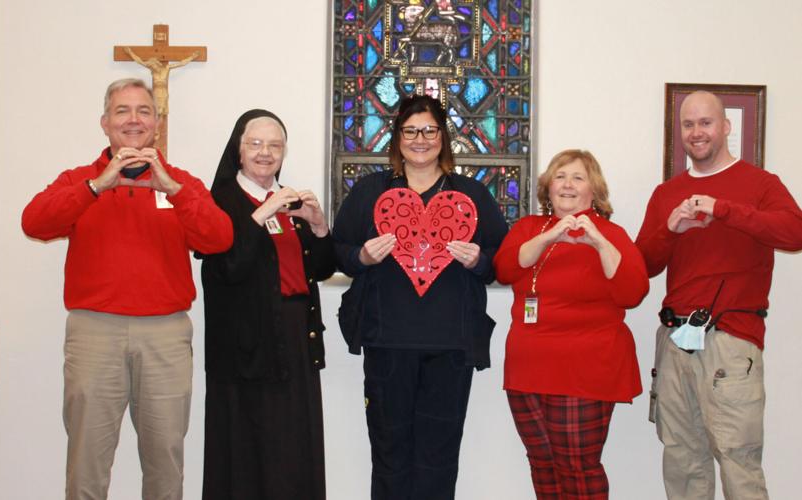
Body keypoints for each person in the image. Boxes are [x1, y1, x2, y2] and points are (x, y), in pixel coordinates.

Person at [21, 78, 233, 500]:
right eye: (122, 111)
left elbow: (219, 238)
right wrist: (96, 187)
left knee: (165, 459)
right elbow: (34, 223)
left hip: (165, 336)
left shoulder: (181, 183)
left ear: (157, 123)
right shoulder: (80, 179)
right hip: (94, 333)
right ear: (105, 123)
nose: (133, 120)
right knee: (87, 460)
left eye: (143, 111)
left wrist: (173, 192)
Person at [333, 94, 508, 500]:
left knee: (439, 457)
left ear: (444, 137)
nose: (420, 139)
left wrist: (479, 261)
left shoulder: (471, 194)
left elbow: (502, 260)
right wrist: (361, 256)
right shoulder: (371, 191)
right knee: (389, 454)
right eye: (410, 131)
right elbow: (337, 251)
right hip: (387, 343)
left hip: (451, 346)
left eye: (430, 130)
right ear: (397, 137)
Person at [636, 90, 802, 499]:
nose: (697, 132)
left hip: (731, 341)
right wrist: (670, 230)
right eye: (688, 124)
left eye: (706, 123)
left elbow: (794, 233)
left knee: (737, 461)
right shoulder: (666, 193)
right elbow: (643, 267)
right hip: (674, 340)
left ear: (726, 126)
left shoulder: (760, 184)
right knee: (682, 461)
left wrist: (724, 209)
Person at [493, 149, 649, 499]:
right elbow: (505, 269)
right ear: (548, 188)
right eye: (560, 177)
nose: (567, 185)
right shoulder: (528, 228)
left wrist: (598, 242)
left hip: (586, 370)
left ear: (594, 190)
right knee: (542, 463)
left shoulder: (611, 234)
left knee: (577, 466)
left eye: (578, 178)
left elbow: (633, 293)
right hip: (528, 368)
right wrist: (550, 236)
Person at [199, 109, 335, 500]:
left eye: (275, 145)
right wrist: (262, 213)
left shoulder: (291, 201)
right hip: (244, 344)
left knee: (293, 447)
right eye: (255, 143)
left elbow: (321, 269)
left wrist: (318, 224)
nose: (265, 152)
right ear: (238, 151)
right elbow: (229, 267)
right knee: (249, 450)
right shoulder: (219, 202)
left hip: (294, 338)